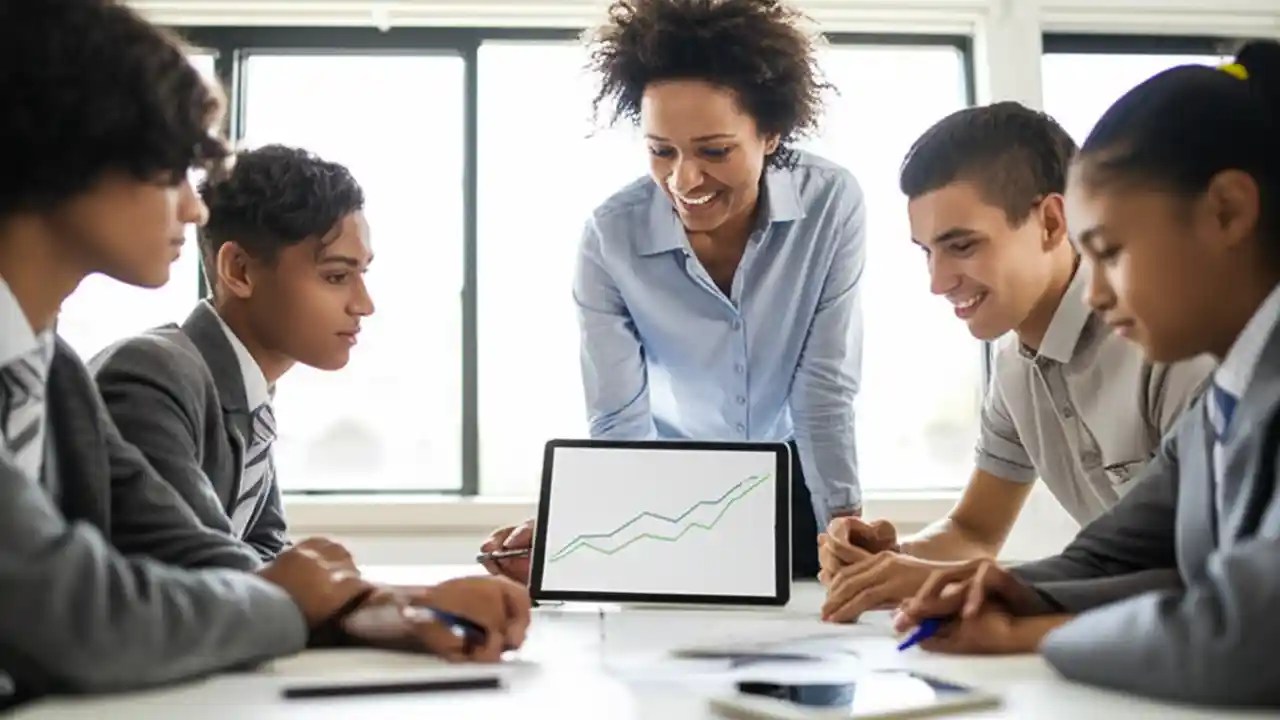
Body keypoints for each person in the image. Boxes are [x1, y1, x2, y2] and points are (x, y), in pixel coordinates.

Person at [0, 0, 527, 706]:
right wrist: (305, 602)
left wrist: (380, 610)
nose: (194, 208)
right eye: (170, 169)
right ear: (66, 153)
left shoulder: (52, 369)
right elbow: (84, 615)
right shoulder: (147, 372)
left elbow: (197, 551)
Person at [894, 42, 1280, 707]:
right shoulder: (1225, 399)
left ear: (1227, 211)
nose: (1096, 294)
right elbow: (1112, 554)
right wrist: (1016, 592)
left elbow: (1245, 636)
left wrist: (1036, 634)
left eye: (1110, 253)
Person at [481, 0, 865, 582]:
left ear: (770, 134)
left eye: (715, 151)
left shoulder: (831, 203)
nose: (683, 179)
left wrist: (844, 524)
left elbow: (824, 388)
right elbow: (619, 418)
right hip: (666, 480)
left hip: (795, 476)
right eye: (661, 150)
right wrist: (589, 533)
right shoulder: (611, 237)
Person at [816, 102, 1214, 623]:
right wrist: (888, 563)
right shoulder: (1014, 368)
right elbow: (974, 531)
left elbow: (1200, 563)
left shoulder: (1166, 341)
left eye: (962, 246)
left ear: (1051, 222)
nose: (938, 281)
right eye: (927, 252)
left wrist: (980, 585)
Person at [92, 144, 372, 560]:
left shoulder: (248, 392)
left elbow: (264, 548)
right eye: (336, 276)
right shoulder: (152, 378)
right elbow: (198, 565)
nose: (364, 304)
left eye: (362, 274)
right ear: (239, 270)